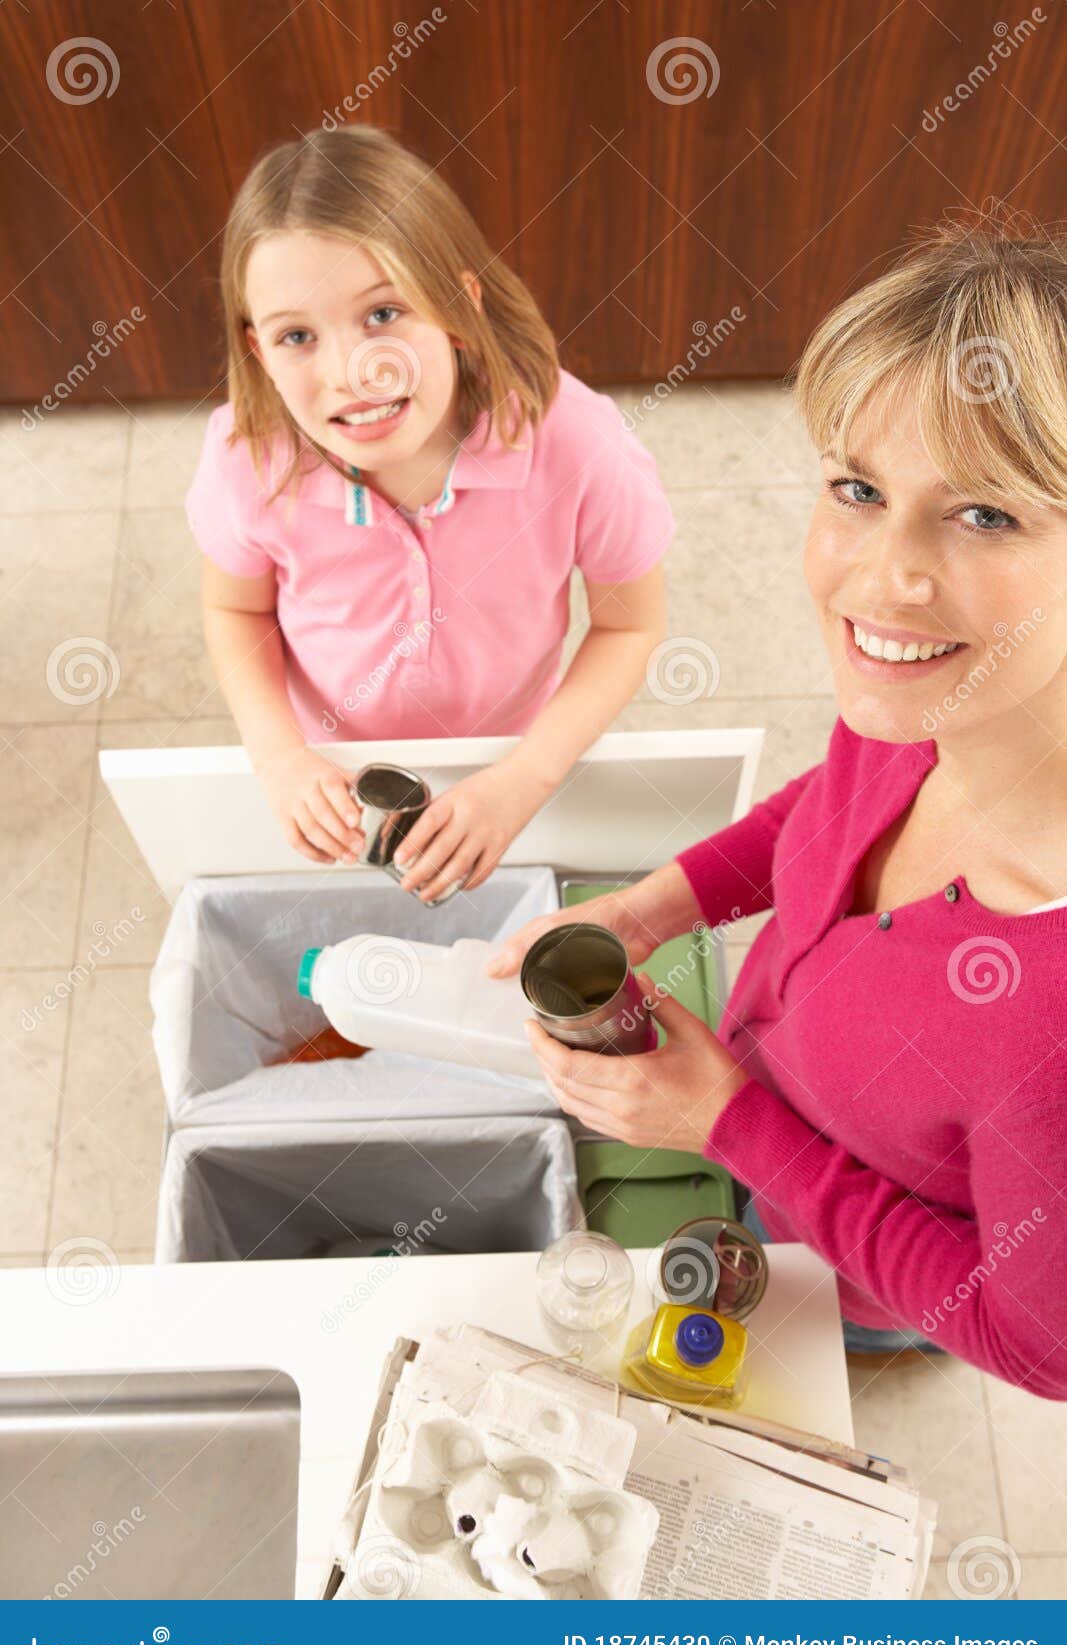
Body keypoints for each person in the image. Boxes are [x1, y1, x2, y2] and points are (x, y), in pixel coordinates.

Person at [491, 218, 1067, 1396]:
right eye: (857, 488)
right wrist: (651, 909)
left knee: (837, 1332)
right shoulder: (923, 703)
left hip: (853, 1279)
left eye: (984, 513)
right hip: (758, 1120)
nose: (881, 577)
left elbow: (1035, 1342)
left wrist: (728, 1124)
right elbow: (829, 808)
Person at [186, 126, 671, 904]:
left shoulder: (576, 442)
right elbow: (234, 609)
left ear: (457, 305)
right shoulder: (247, 457)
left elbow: (628, 626)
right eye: (297, 336)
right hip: (331, 762)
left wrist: (522, 777)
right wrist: (279, 758)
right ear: (258, 352)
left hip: (512, 746)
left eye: (383, 313)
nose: (352, 373)